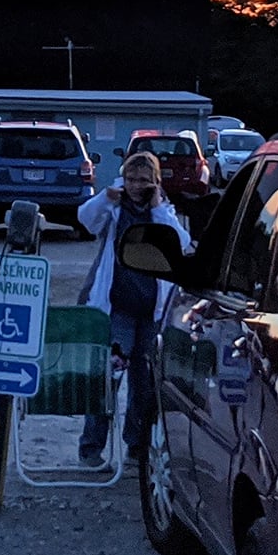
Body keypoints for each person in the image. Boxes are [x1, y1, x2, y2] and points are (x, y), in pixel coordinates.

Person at [76, 151, 191, 468]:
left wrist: (156, 210)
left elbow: (181, 244)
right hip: (118, 308)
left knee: (144, 384)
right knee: (107, 379)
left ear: (155, 182)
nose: (137, 186)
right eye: (131, 179)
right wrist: (106, 197)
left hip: (151, 311)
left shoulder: (163, 211)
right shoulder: (114, 209)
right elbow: (86, 220)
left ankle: (136, 447)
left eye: (144, 180)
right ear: (123, 179)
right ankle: (91, 448)